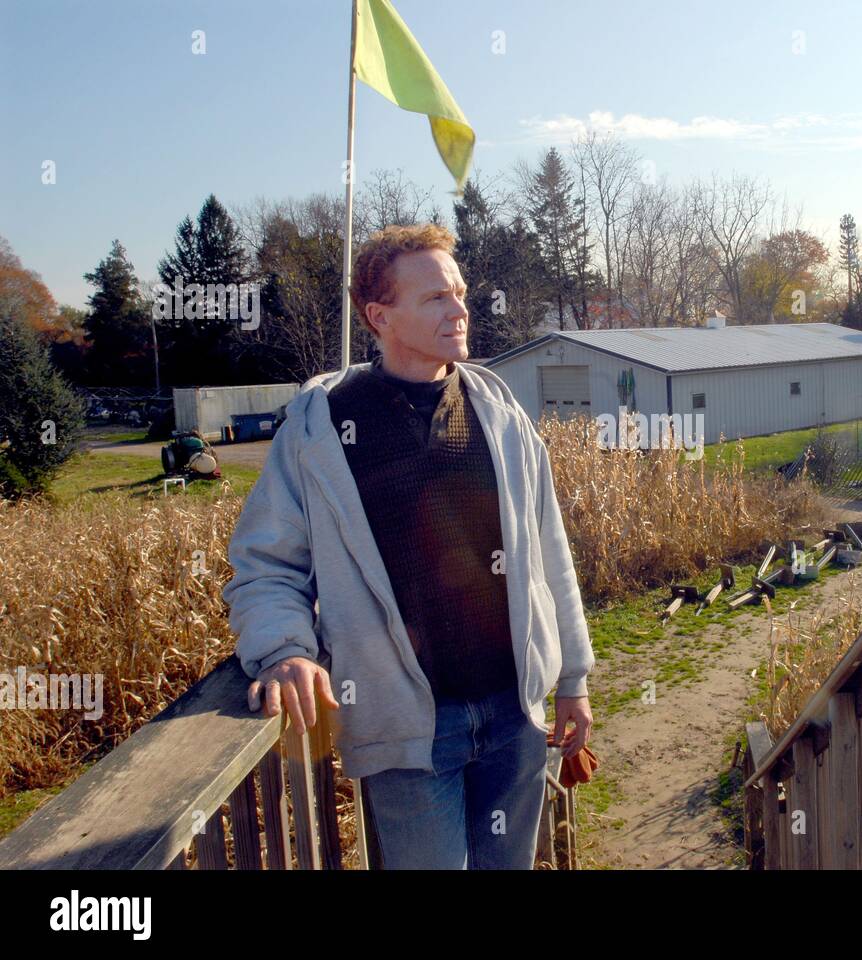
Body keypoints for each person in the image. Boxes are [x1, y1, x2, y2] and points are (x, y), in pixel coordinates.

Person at [222, 223, 595, 869]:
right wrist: (283, 651)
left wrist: (572, 680)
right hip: (408, 732)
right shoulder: (322, 429)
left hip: (515, 715)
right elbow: (265, 566)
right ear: (380, 315)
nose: (459, 310)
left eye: (458, 293)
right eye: (435, 298)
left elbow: (548, 553)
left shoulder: (499, 414)